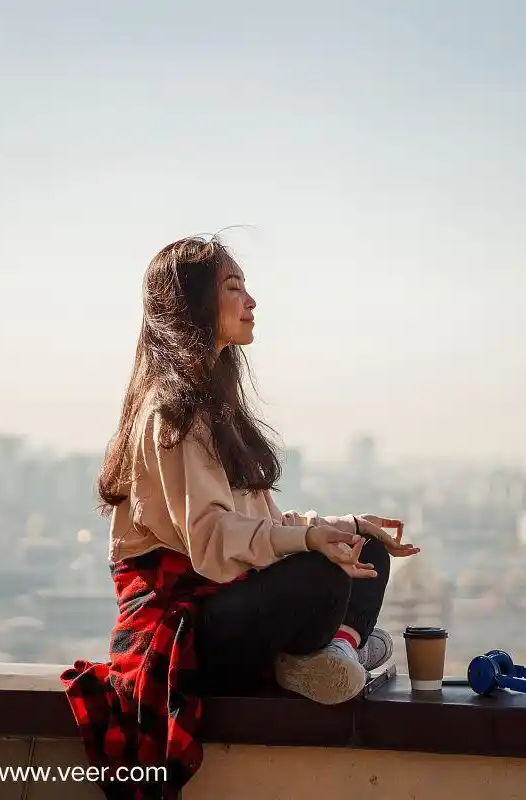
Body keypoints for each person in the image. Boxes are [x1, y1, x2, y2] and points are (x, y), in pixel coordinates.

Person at [60, 234, 419, 799]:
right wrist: (308, 539)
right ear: (193, 302)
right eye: (234, 288)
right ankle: (330, 655)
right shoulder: (172, 414)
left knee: (363, 550)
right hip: (193, 635)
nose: (252, 301)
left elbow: (263, 523)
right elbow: (211, 541)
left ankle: (325, 655)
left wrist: (344, 525)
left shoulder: (214, 407)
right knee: (320, 570)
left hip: (233, 608)